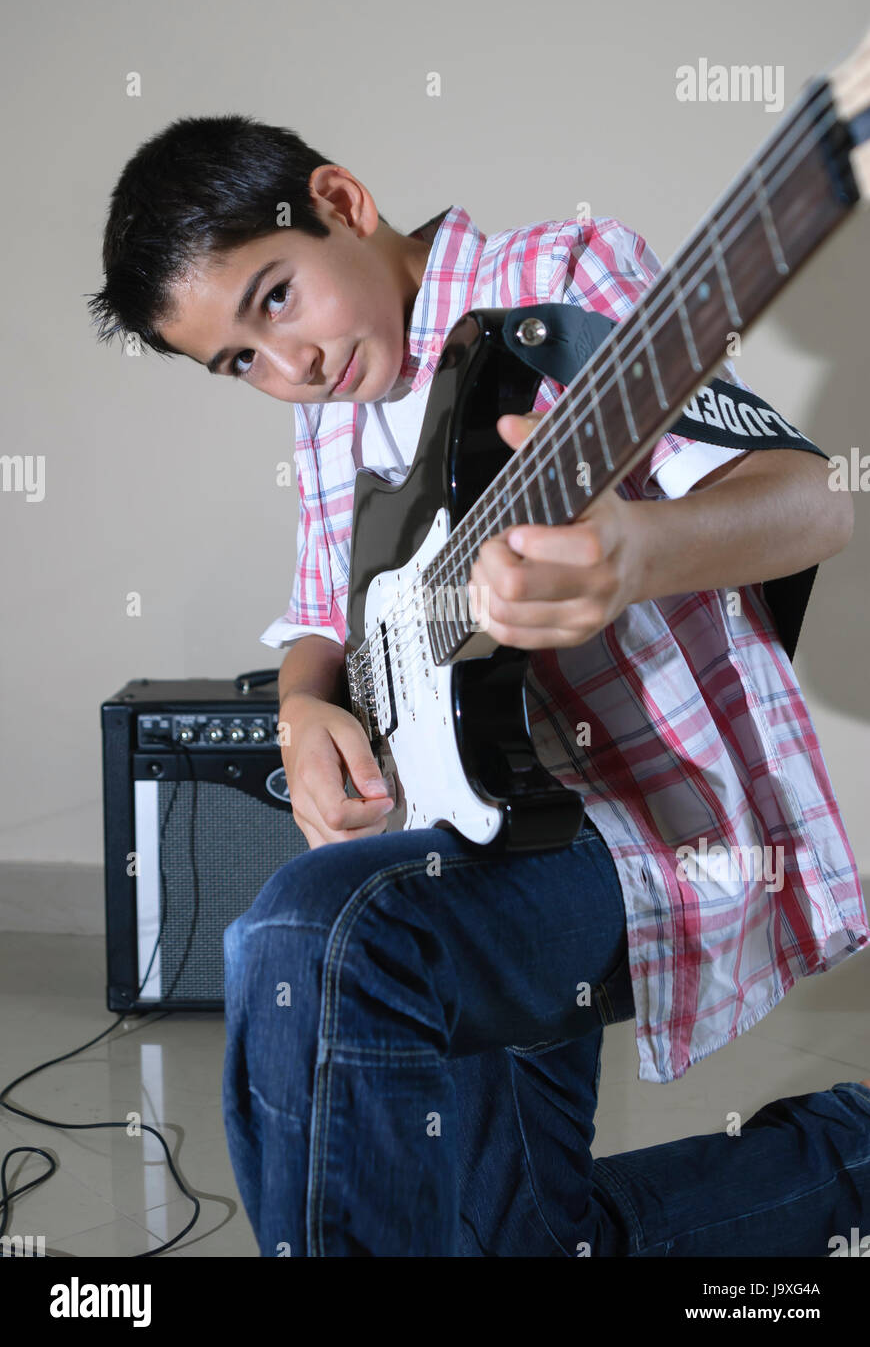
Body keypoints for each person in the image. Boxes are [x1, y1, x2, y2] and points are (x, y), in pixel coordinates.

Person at [88, 115, 870, 1257]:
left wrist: (636, 554)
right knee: (524, 1240)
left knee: (314, 935)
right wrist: (302, 708)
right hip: (466, 815)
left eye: (276, 299)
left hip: (640, 823)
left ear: (341, 202)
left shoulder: (554, 277)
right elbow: (325, 619)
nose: (291, 366)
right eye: (241, 362)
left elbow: (814, 503)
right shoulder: (331, 423)